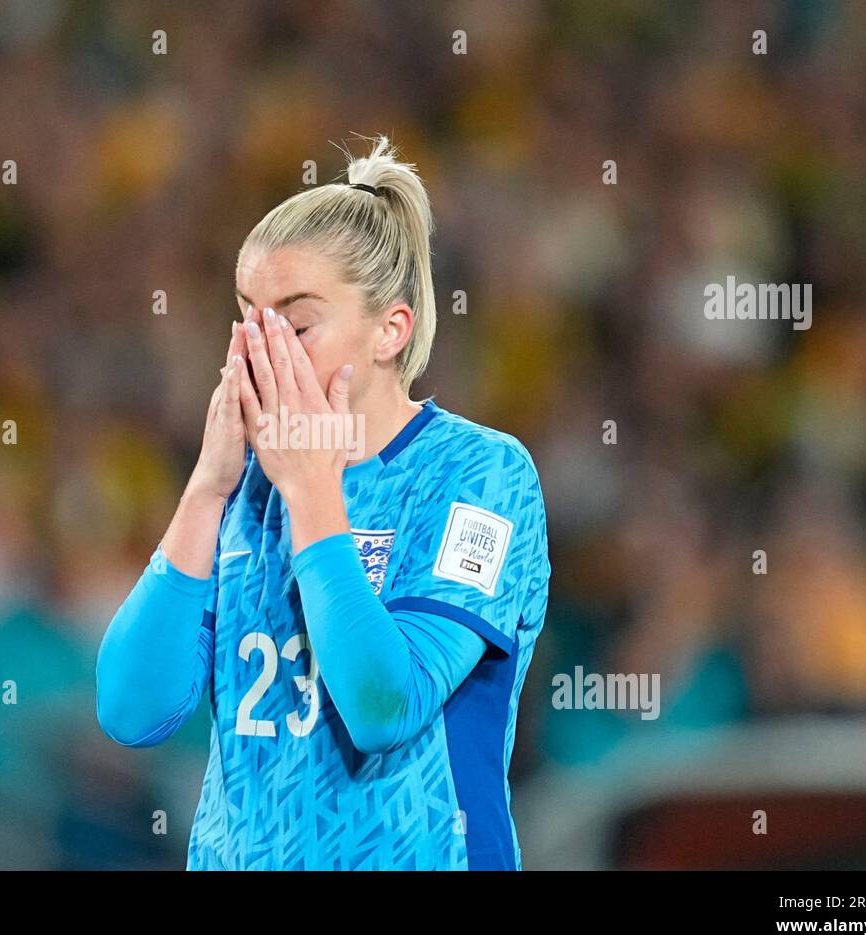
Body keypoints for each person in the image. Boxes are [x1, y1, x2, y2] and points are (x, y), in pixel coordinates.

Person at [97, 135, 550, 869]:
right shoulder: (243, 488)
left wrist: (311, 491)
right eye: (249, 318)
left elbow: (384, 708)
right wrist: (207, 488)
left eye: (296, 323)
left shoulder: (478, 472)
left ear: (389, 330)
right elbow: (130, 709)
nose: (262, 348)